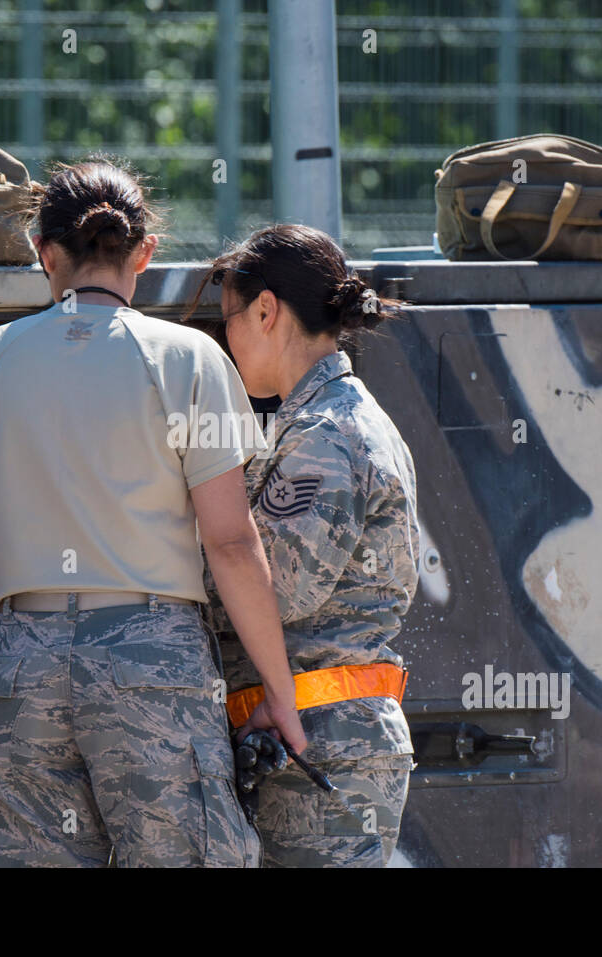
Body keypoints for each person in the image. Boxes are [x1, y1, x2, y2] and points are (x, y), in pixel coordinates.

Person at [0, 158, 306, 867]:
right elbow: (230, 542)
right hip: (150, 664)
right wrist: (281, 697)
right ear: (144, 253)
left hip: (19, 663)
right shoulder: (190, 359)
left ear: (44, 252)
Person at [191, 223, 420, 867]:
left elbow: (280, 585)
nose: (225, 340)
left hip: (321, 748)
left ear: (266, 310)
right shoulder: (326, 420)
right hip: (312, 744)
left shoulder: (325, 434)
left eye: (229, 319)